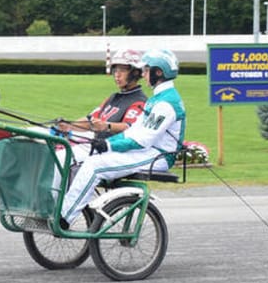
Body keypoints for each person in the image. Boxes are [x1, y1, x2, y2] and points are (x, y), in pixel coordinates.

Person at [56, 48, 186, 228]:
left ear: (158, 73)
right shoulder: (158, 99)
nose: (143, 74)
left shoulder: (166, 103)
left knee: (95, 166)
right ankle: (63, 208)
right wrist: (107, 143)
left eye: (146, 70)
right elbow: (133, 132)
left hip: (158, 156)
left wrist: (108, 146)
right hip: (147, 151)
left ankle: (64, 218)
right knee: (92, 160)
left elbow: (142, 140)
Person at [56, 48, 147, 138]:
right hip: (99, 147)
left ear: (135, 73)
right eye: (115, 70)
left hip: (116, 150)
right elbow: (91, 120)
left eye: (122, 70)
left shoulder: (139, 101)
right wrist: (69, 125)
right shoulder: (113, 97)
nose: (117, 75)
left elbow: (129, 127)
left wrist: (106, 126)